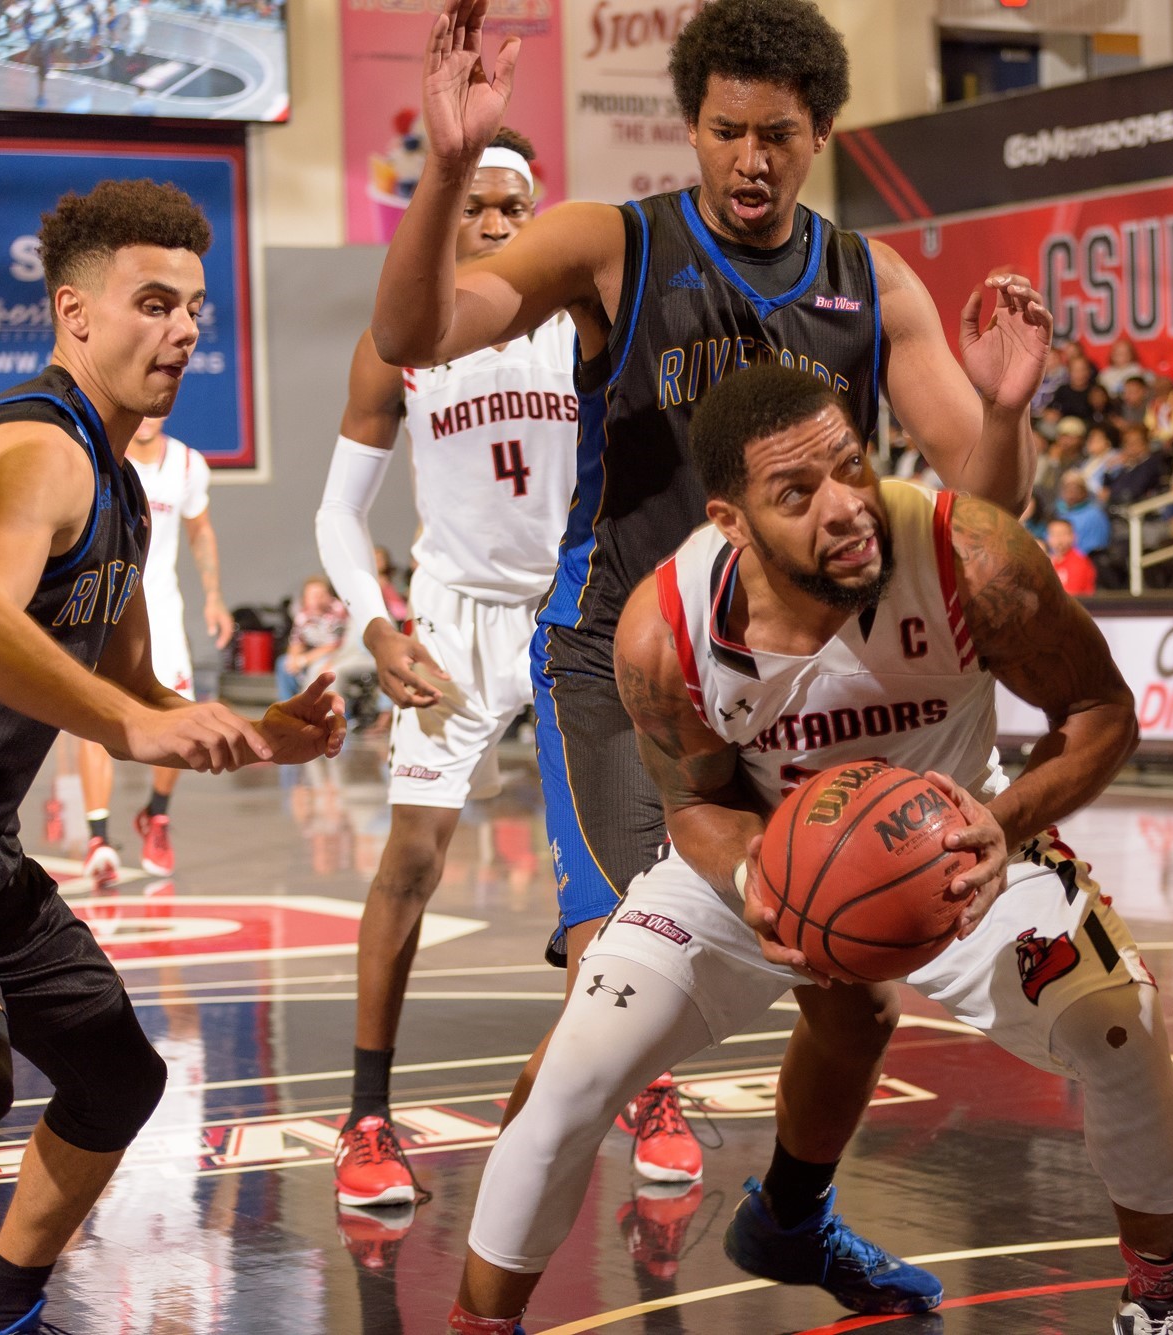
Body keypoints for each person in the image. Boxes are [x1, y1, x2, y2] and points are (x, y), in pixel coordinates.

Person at [373, 0, 1051, 1316]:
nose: (751, 158)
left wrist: (1011, 406)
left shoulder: (873, 278)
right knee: (616, 993)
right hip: (632, 666)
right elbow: (413, 334)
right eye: (727, 131)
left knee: (855, 992)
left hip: (798, 690)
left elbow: (984, 494)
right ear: (689, 127)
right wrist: (448, 169)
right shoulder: (615, 246)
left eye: (778, 137)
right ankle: (487, 1294)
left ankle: (792, 1217)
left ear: (820, 138)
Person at [451, 364, 1173, 1335]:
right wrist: (748, 874)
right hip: (759, 858)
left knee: (1121, 1030)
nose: (846, 509)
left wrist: (1002, 825)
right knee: (571, 1079)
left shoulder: (966, 555)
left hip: (965, 837)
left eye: (852, 467)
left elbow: (1101, 712)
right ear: (732, 521)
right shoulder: (663, 631)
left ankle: (1157, 1307)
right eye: (797, 495)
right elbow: (692, 803)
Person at [0, 179, 344, 1335]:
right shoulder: (38, 451)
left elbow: (131, 687)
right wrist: (129, 730)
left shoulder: (122, 491)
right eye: (152, 302)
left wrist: (260, 736)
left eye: (195, 308)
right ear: (73, 314)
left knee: (119, 1077)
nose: (181, 330)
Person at [315, 128, 664, 1215]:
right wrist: (376, 626)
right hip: (455, 621)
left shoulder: (582, 323)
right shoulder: (402, 340)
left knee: (625, 882)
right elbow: (337, 511)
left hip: (574, 606)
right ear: (446, 214)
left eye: (518, 207)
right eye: (479, 205)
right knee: (412, 859)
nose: (502, 224)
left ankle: (650, 1090)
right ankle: (367, 1114)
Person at [75, 413, 233, 882]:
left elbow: (200, 530)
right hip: (102, 603)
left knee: (180, 717)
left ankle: (156, 814)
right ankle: (98, 838)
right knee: (91, 717)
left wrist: (214, 596)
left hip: (159, 610)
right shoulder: (96, 453)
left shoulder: (187, 464)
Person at [276, 576, 347, 700]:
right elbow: (296, 641)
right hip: (313, 653)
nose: (317, 600)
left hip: (336, 655)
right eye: (313, 595)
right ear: (305, 598)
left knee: (317, 668)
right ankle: (287, 705)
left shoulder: (338, 611)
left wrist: (304, 659)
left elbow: (336, 644)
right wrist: (293, 659)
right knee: (283, 663)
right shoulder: (303, 615)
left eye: (321, 595)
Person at [1045, 517, 1098, 594]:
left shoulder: (1079, 563)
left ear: (1073, 536)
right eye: (1054, 534)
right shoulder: (1049, 562)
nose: (1058, 539)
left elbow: (1072, 595)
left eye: (1063, 534)